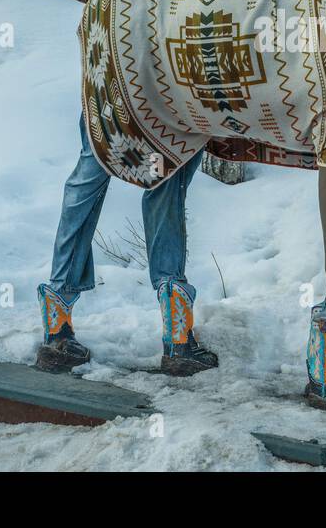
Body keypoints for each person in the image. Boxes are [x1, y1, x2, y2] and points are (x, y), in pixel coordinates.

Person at [36, 114, 218, 376]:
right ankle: (177, 336)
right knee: (167, 176)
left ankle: (57, 326)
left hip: (108, 90)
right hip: (168, 94)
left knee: (90, 174)